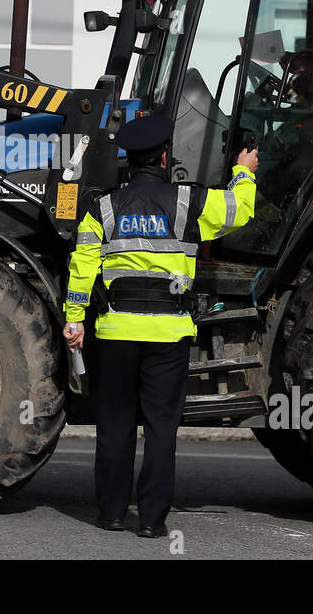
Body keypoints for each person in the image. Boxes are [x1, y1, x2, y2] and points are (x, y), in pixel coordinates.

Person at [62, 114, 259, 537]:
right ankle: (151, 521)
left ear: (128, 162)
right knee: (160, 428)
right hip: (169, 333)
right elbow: (239, 210)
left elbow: (82, 265)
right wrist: (244, 171)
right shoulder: (188, 202)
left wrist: (74, 318)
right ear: (165, 157)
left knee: (114, 424)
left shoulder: (104, 206)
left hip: (115, 333)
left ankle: (112, 513)